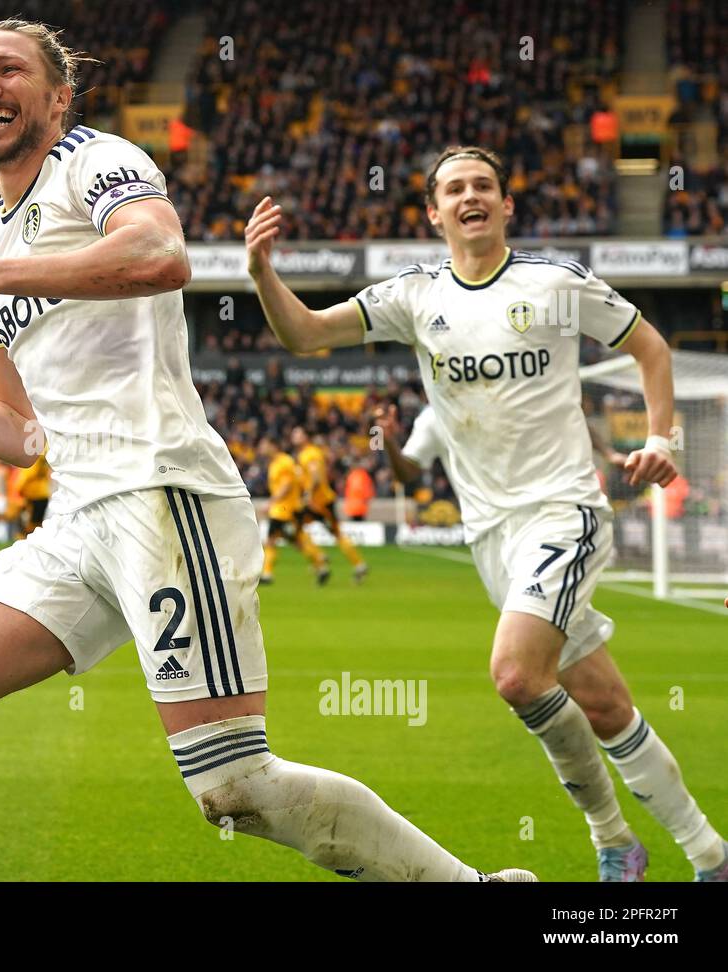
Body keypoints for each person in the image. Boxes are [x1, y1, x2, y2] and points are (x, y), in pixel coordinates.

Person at [0, 21, 532, 882]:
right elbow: (22, 436)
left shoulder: (94, 162)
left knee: (234, 785)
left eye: (8, 70)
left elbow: (160, 253)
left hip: (161, 498)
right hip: (74, 524)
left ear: (58, 96)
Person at [246, 144, 727, 882]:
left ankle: (613, 841)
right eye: (455, 188)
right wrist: (261, 275)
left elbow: (651, 348)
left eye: (485, 185)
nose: (471, 196)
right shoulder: (414, 296)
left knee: (514, 675)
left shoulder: (556, 282)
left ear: (506, 205)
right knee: (603, 704)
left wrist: (660, 437)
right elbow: (306, 334)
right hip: (491, 539)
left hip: (564, 513)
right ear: (434, 213)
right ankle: (708, 853)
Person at [294, 428, 368, 583]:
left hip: (320, 502)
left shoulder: (310, 454)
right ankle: (320, 561)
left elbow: (315, 476)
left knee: (334, 533)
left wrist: (307, 493)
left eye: (298, 434)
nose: (294, 436)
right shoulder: (307, 454)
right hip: (315, 502)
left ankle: (352, 563)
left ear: (306, 437)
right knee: (297, 529)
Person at [256, 433, 327, 585]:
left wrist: (271, 502)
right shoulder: (277, 462)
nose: (261, 447)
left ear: (273, 446)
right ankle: (320, 563)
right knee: (294, 541)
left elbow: (286, 486)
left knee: (273, 541)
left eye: (264, 444)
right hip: (285, 510)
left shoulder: (284, 462)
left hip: (283, 510)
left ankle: (268, 573)